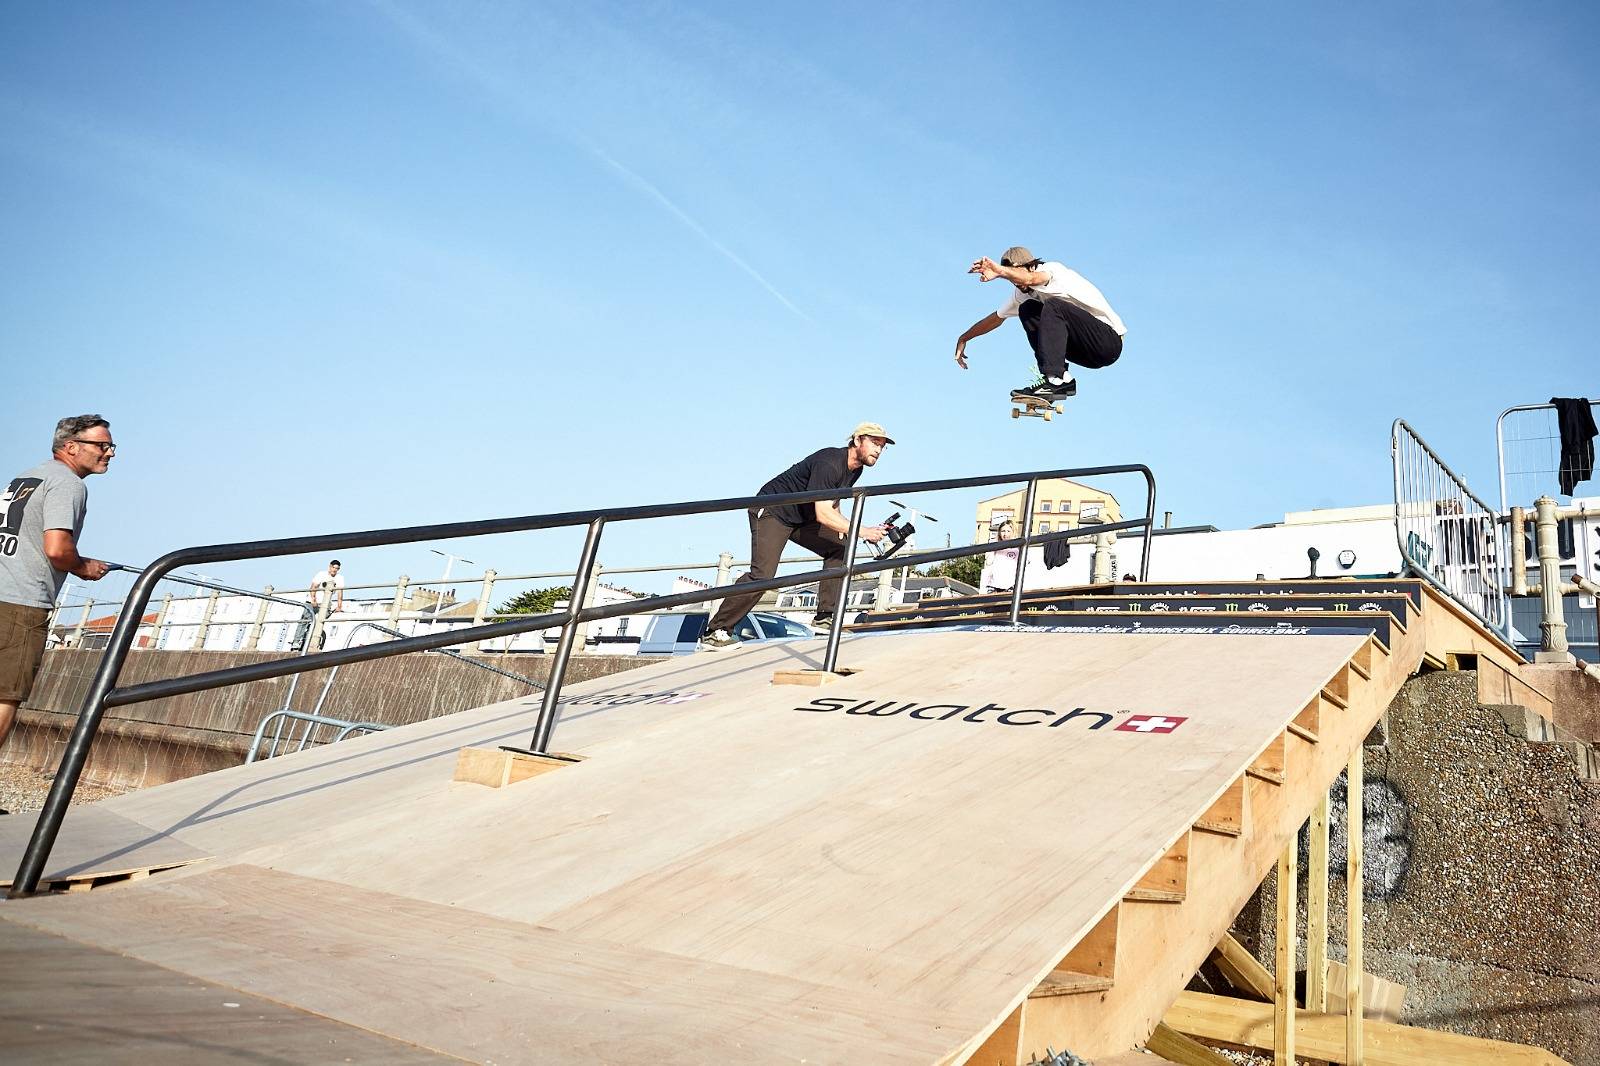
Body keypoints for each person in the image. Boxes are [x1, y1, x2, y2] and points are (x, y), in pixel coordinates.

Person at [700, 423, 894, 649]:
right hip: (773, 510)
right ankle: (716, 631)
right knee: (763, 575)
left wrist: (845, 531)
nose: (878, 451)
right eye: (874, 443)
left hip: (802, 517)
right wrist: (863, 531)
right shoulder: (829, 462)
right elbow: (823, 513)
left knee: (839, 547)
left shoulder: (855, 469)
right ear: (858, 440)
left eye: (882, 447)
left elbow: (832, 502)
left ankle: (825, 617)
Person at [0, 416, 114, 758]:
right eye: (101, 445)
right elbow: (57, 549)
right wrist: (84, 567)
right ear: (71, 446)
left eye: (111, 446)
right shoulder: (68, 484)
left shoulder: (28, 477)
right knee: (5, 697)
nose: (109, 453)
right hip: (19, 603)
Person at [954, 245, 1126, 401]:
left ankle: (1054, 379)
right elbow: (996, 318)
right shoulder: (1021, 294)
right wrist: (964, 338)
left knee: (1053, 305)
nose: (1016, 283)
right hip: (1085, 353)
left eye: (1016, 275)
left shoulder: (1052, 271)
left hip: (1107, 342)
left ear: (1031, 266)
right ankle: (1062, 380)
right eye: (1012, 279)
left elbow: (1032, 279)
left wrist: (1000, 271)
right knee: (1027, 309)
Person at [980, 516, 1020, 593]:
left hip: (1010, 585)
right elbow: (988, 562)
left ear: (1013, 532)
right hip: (995, 584)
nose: (1005, 534)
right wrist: (992, 549)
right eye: (1003, 531)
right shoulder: (996, 546)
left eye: (1008, 531)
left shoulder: (1017, 548)